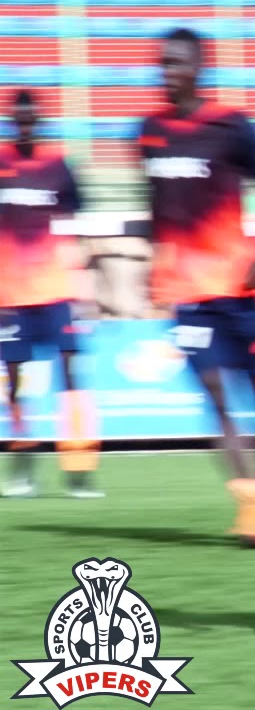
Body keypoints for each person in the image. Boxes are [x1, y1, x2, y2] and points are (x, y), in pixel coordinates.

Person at [139, 27, 255, 546]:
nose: (168, 72)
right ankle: (254, 506)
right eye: (164, 63)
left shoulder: (232, 126)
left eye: (177, 63)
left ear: (199, 67)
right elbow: (156, 203)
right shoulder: (148, 132)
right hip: (187, 293)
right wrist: (153, 260)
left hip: (236, 285)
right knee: (215, 395)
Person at [0, 89, 102, 499]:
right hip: (11, 293)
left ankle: (79, 473)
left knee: (72, 373)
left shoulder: (58, 165)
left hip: (56, 289)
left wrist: (84, 282)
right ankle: (23, 470)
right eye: (19, 119)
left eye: (31, 119)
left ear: (38, 121)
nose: (25, 126)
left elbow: (78, 219)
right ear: (12, 121)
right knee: (15, 382)